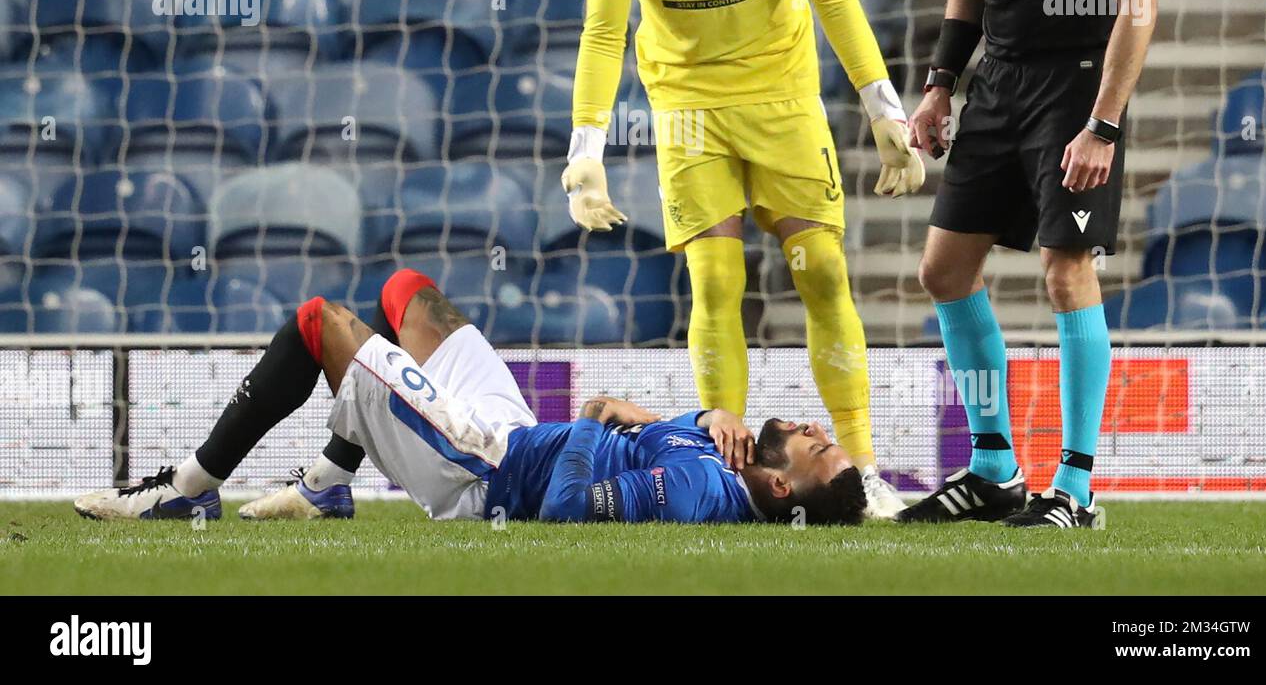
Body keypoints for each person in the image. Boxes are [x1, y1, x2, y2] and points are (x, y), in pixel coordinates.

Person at [561, 0, 926, 519]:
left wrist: (883, 107)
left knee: (823, 270)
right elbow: (601, 33)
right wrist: (585, 150)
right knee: (716, 280)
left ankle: (861, 470)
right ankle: (724, 470)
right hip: (688, 108)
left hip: (784, 97)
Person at [73, 269, 867, 526]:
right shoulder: (722, 460)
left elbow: (564, 514)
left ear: (778, 484)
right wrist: (703, 415)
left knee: (321, 324)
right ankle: (326, 488)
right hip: (515, 428)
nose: (810, 426)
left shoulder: (699, 490)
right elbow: (666, 435)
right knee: (406, 293)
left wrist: (595, 418)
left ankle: (184, 491)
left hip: (485, 467)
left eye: (816, 447)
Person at [901, 0, 1159, 529]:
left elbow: (1137, 9)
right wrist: (943, 81)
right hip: (1000, 82)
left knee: (1064, 275)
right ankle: (993, 468)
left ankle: (1075, 488)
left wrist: (1102, 126)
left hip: (1075, 91)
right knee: (942, 272)